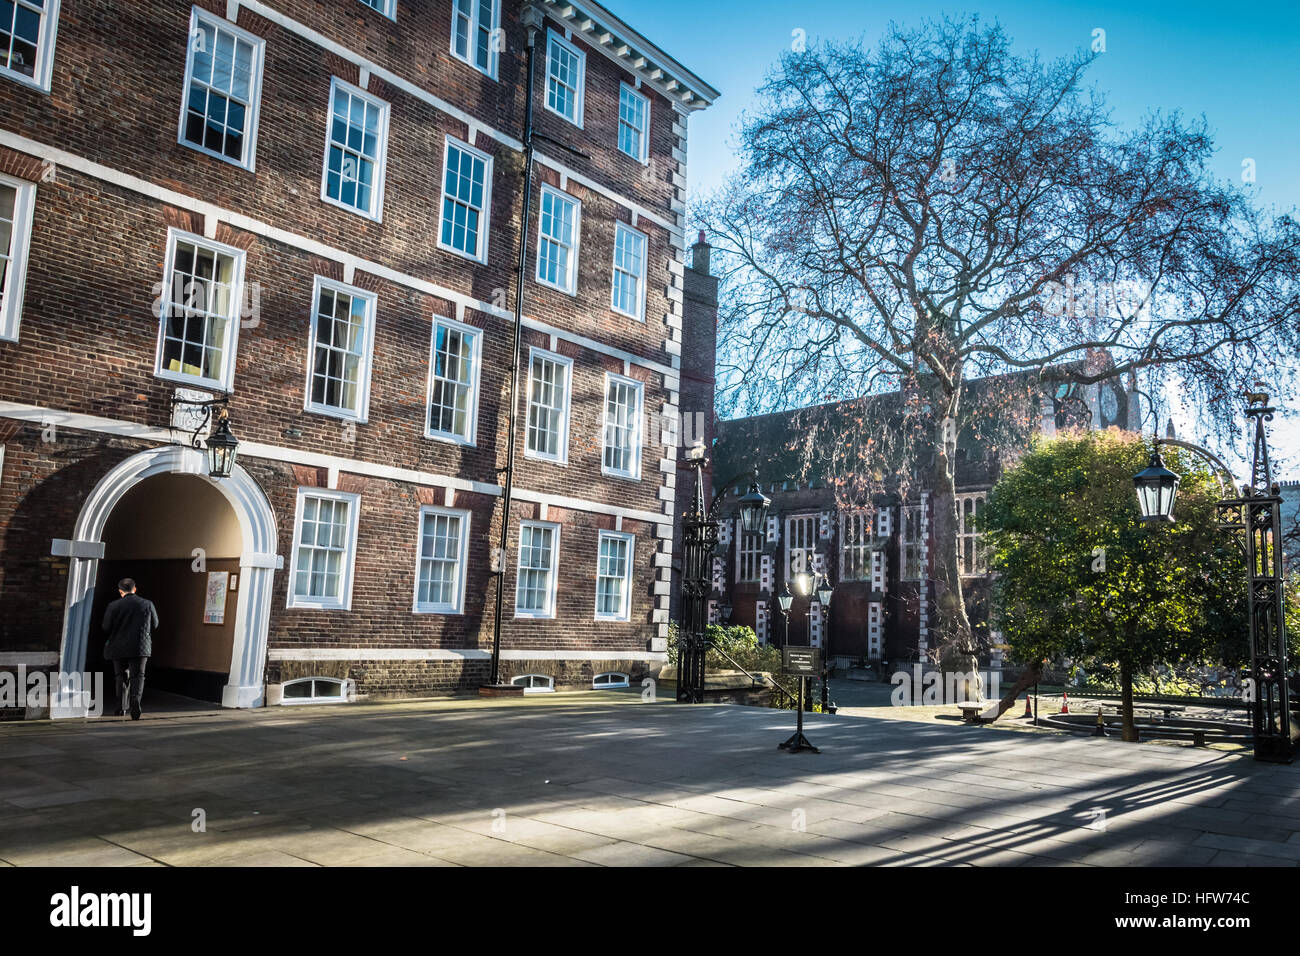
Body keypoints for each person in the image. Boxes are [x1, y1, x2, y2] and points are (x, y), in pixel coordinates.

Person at [102, 578, 158, 720]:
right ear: (135, 589)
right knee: (138, 676)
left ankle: (120, 707)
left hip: (118, 646)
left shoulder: (113, 606)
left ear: (120, 591)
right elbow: (155, 624)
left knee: (120, 676)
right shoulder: (147, 604)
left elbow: (106, 627)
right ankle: (135, 701)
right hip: (140, 646)